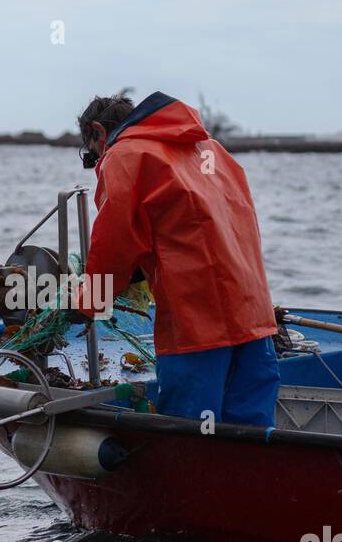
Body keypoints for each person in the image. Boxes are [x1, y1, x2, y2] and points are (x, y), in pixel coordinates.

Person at [71, 91, 281, 427]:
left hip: (196, 328)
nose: (99, 160)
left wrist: (86, 302)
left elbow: (114, 246)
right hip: (254, 320)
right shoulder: (212, 150)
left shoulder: (126, 155)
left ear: (98, 132)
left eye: (94, 155)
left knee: (192, 436)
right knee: (252, 436)